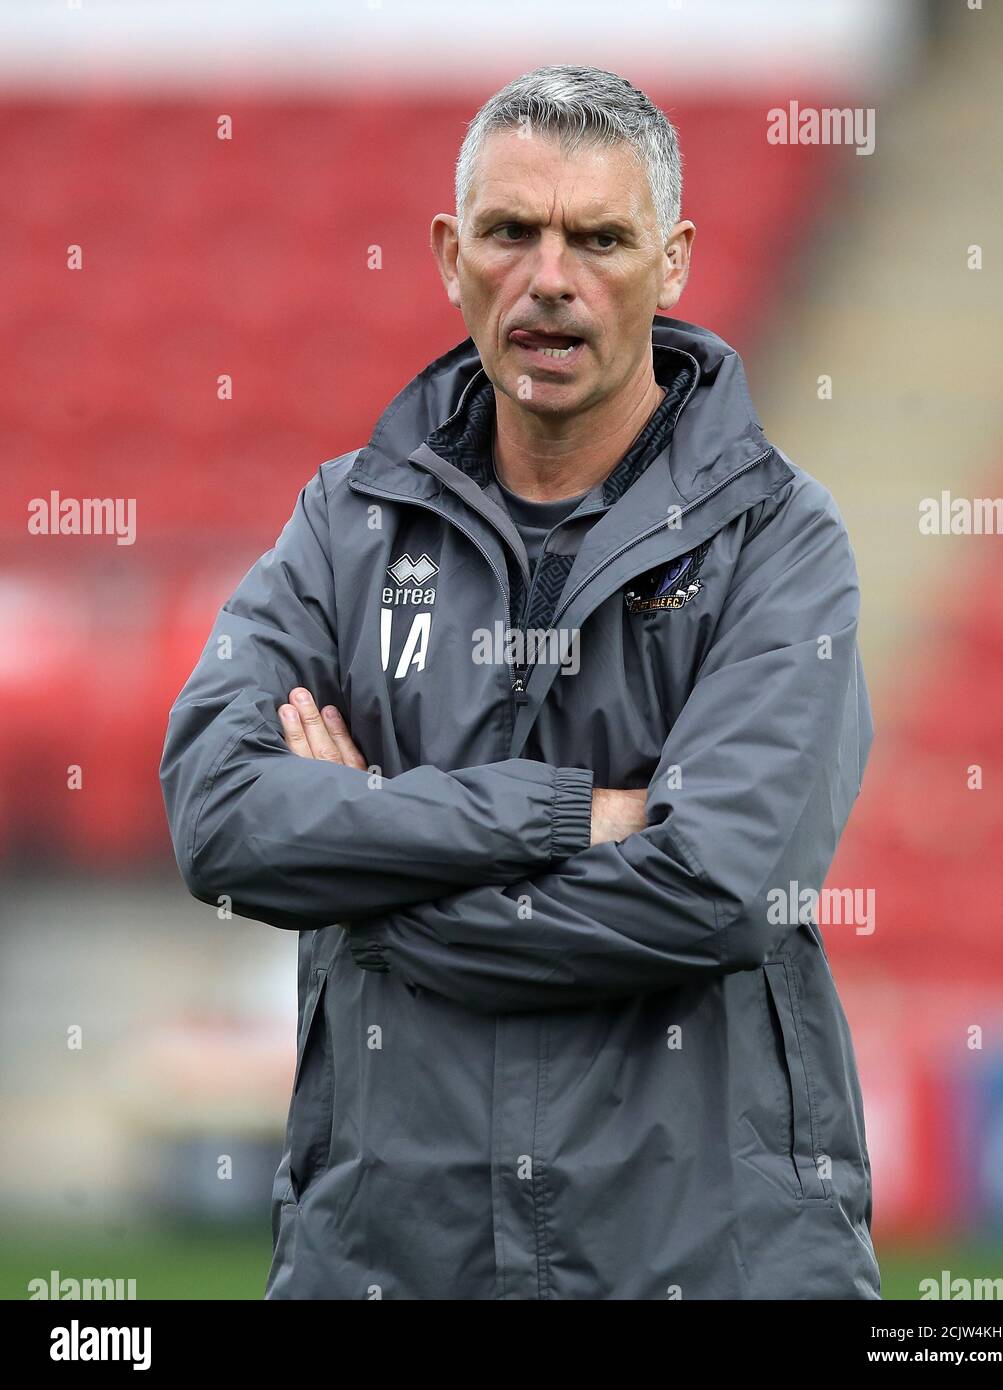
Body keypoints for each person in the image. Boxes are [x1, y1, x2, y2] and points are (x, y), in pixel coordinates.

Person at [160, 63, 881, 1300]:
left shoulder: (780, 539)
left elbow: (713, 889)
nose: (550, 278)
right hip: (386, 1258)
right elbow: (221, 816)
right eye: (510, 232)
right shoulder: (346, 524)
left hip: (711, 1263)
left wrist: (374, 868)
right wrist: (556, 816)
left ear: (673, 262)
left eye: (600, 238)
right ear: (450, 253)